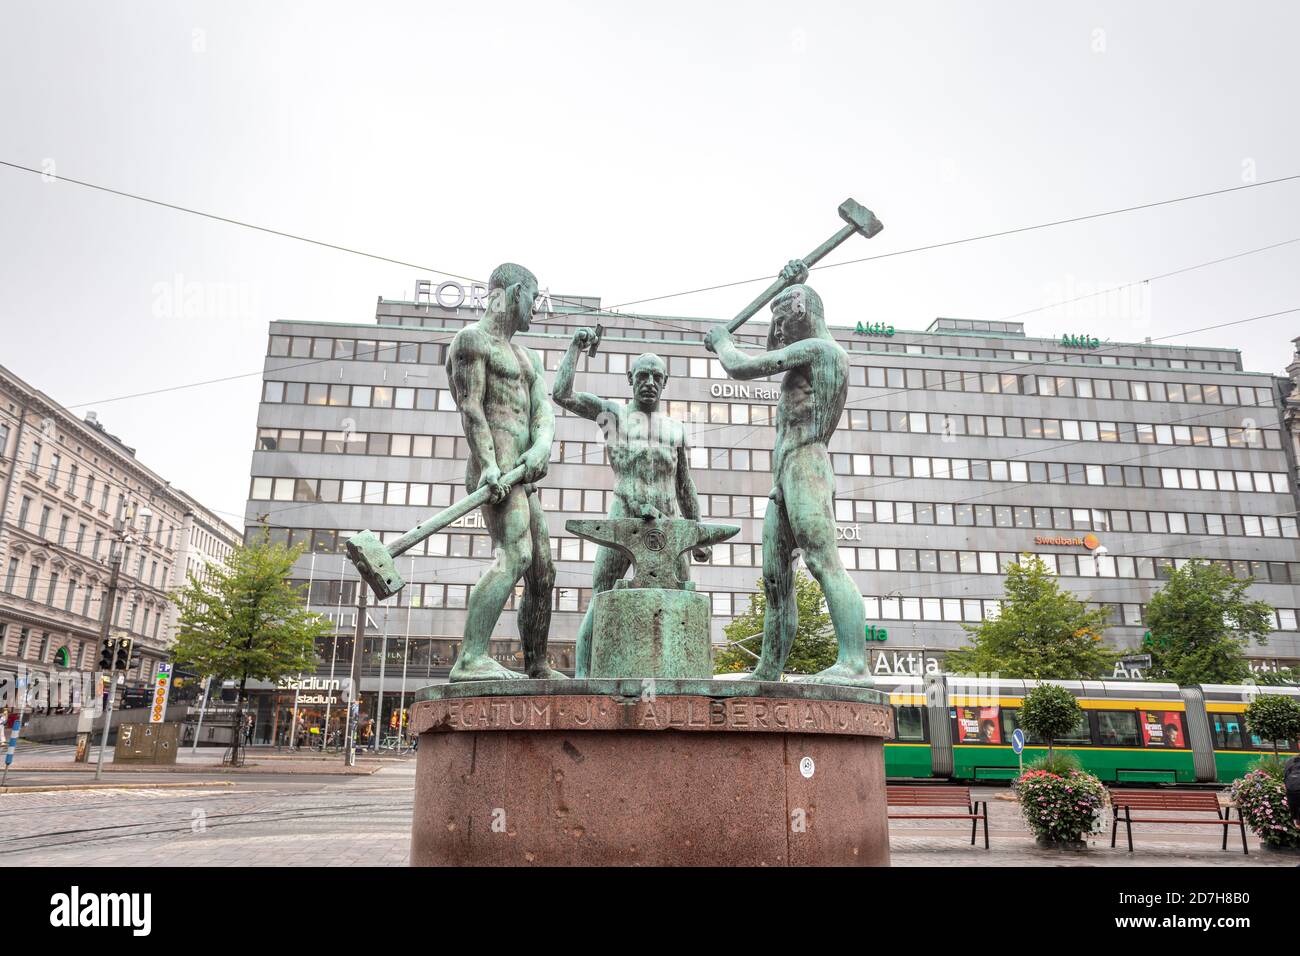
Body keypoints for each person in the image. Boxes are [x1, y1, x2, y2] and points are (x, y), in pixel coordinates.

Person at [705, 263, 868, 685]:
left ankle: (853, 662)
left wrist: (724, 343)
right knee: (776, 582)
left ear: (801, 315)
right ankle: (769, 669)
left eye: (781, 321)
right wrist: (791, 283)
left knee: (823, 562)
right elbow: (772, 353)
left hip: (806, 467)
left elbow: (743, 367)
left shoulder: (822, 351)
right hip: (783, 477)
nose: (776, 332)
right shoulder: (803, 355)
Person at [552, 333, 710, 676]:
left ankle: (685, 679)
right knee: (601, 595)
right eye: (642, 376)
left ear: (665, 383)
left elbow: (685, 485)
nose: (649, 382)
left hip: (669, 526)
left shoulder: (676, 430)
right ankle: (583, 679)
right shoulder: (613, 415)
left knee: (682, 594)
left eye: (657, 377)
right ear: (630, 380)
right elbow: (562, 394)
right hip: (624, 517)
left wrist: (698, 531)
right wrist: (575, 348)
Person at [444, 263, 564, 682]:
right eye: (533, 297)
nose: (536, 308)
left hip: (523, 474)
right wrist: (491, 465)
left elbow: (543, 413)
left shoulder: (528, 357)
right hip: (493, 469)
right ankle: (471, 658)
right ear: (515, 292)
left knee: (543, 569)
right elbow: (471, 407)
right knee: (515, 554)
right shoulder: (471, 341)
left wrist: (542, 447)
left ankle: (536, 663)